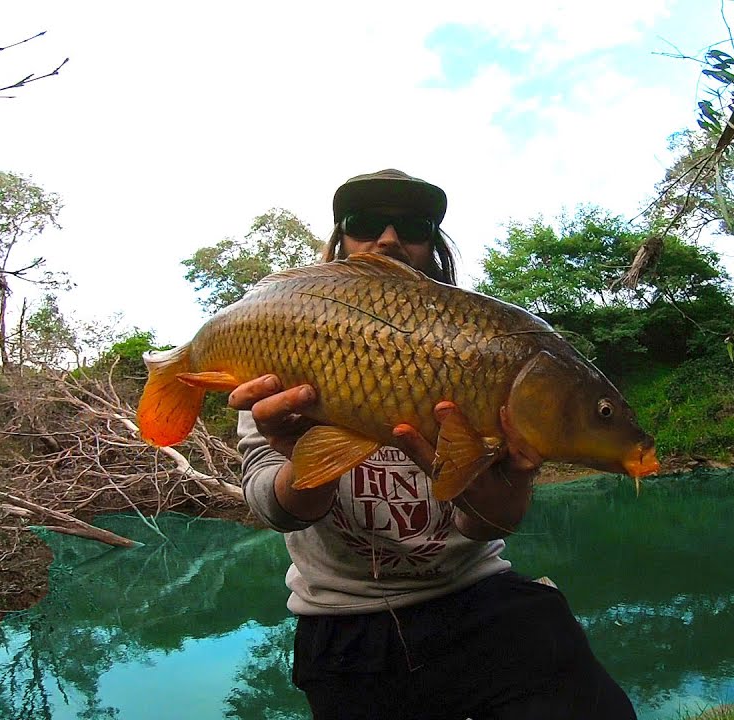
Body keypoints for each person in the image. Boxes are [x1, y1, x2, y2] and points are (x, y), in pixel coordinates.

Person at [233, 169, 636, 720]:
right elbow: (270, 505)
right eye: (366, 224)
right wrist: (302, 458)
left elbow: (487, 525)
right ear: (340, 239)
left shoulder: (486, 345)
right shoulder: (281, 333)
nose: (390, 239)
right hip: (342, 621)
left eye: (415, 227)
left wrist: (510, 479)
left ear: (435, 246)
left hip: (475, 596)